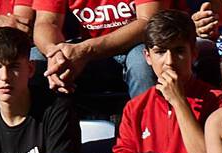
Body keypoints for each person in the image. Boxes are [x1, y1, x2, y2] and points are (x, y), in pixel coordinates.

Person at [113, 11, 222, 153]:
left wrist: (178, 101)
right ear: (147, 57)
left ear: (194, 53)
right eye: (160, 52)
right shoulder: (135, 108)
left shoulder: (217, 101)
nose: (170, 62)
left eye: (179, 51)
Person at [33, 0, 162, 98]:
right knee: (35, 60)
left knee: (142, 62)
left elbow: (148, 22)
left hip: (134, 44)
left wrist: (87, 50)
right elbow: (46, 22)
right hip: (86, 51)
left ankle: (149, 128)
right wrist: (54, 54)